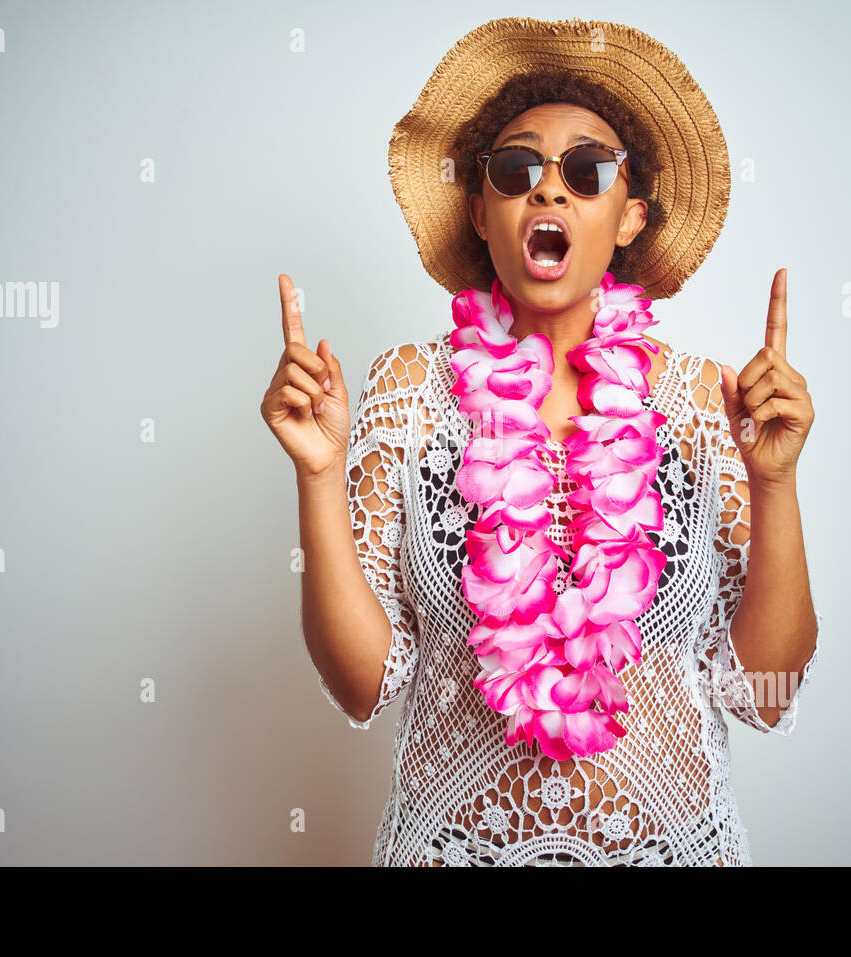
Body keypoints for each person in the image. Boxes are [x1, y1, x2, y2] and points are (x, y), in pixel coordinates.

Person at [261, 17, 820, 866]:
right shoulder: (411, 389)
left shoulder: (708, 401)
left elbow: (762, 697)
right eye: (517, 169)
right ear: (483, 213)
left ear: (630, 216)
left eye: (587, 172)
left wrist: (775, 482)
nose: (548, 192)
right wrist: (319, 472)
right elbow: (362, 684)